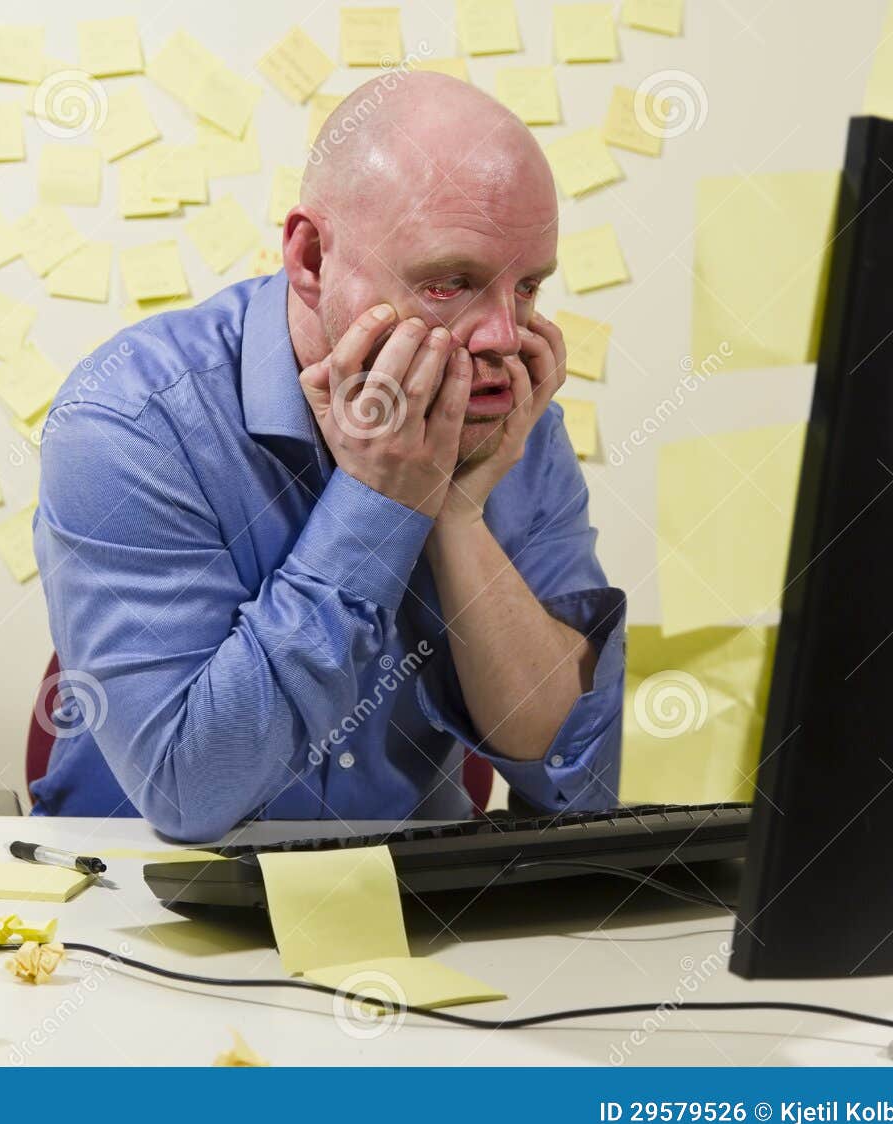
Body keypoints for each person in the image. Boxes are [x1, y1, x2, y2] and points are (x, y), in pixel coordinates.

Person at [31, 71, 625, 841]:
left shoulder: (505, 414)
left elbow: (579, 783)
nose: (504, 338)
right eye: (452, 283)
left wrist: (451, 507)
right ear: (311, 259)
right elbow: (192, 794)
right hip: (132, 904)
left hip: (406, 903)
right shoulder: (128, 423)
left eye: (528, 288)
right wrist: (378, 498)